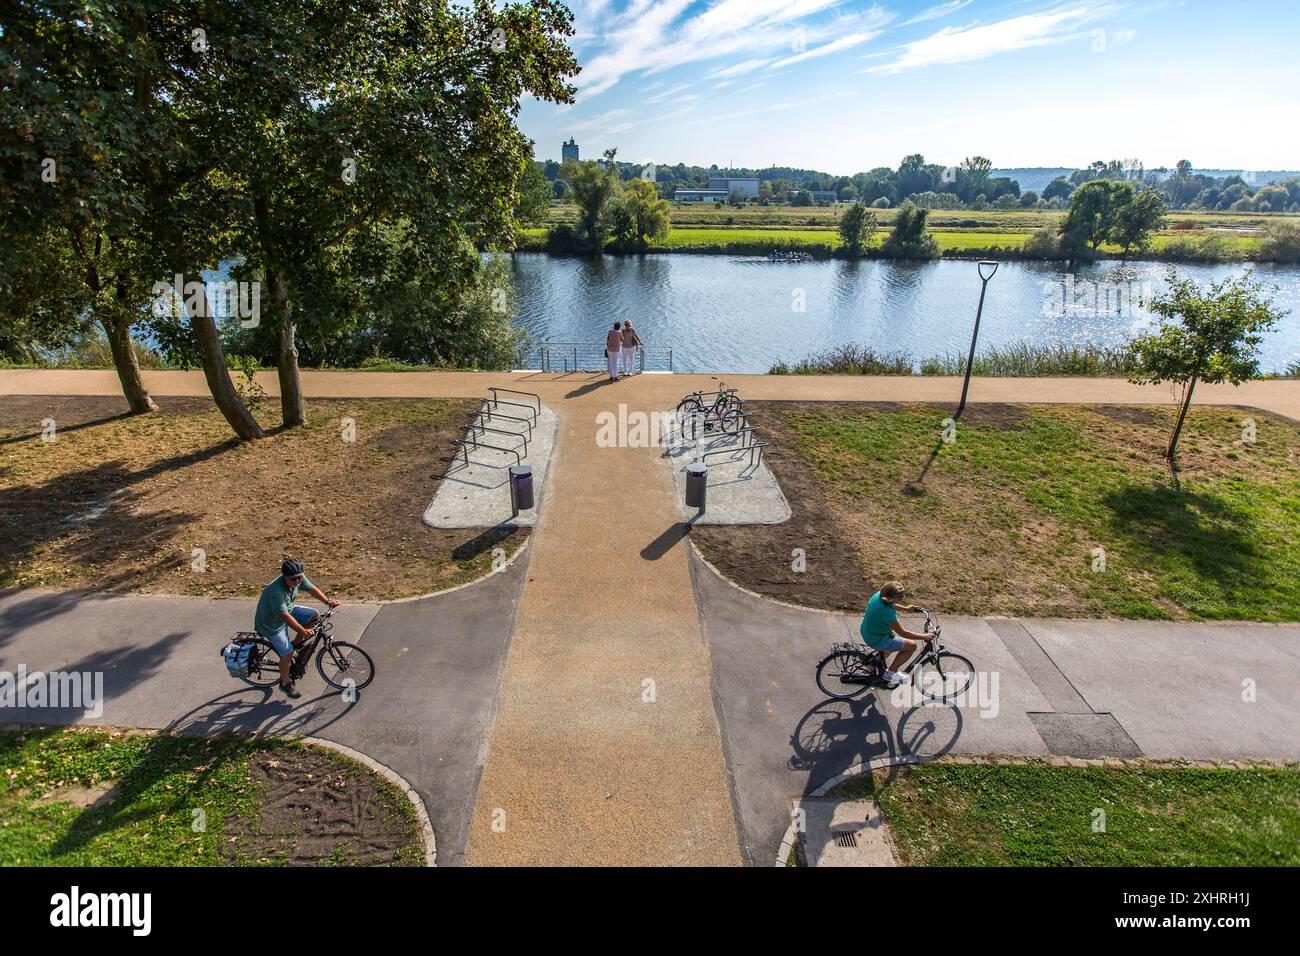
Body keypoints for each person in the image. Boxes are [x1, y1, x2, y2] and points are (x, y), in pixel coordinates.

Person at [253, 558, 339, 698]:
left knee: (313, 615)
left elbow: (312, 589)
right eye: (294, 579)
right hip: (272, 624)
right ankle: (285, 683)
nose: (298, 581)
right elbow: (284, 617)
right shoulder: (275, 591)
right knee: (287, 653)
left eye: (300, 577)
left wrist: (327, 601)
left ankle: (296, 644)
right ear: (285, 577)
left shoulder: (298, 577)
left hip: (288, 610)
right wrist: (303, 631)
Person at [859, 581, 930, 687]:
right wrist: (924, 636)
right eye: (900, 599)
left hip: (868, 631)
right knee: (911, 645)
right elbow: (904, 633)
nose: (902, 600)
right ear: (892, 598)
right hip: (877, 638)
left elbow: (890, 603)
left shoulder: (879, 595)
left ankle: (875, 662)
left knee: (895, 642)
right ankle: (890, 673)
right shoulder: (886, 612)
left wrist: (906, 609)